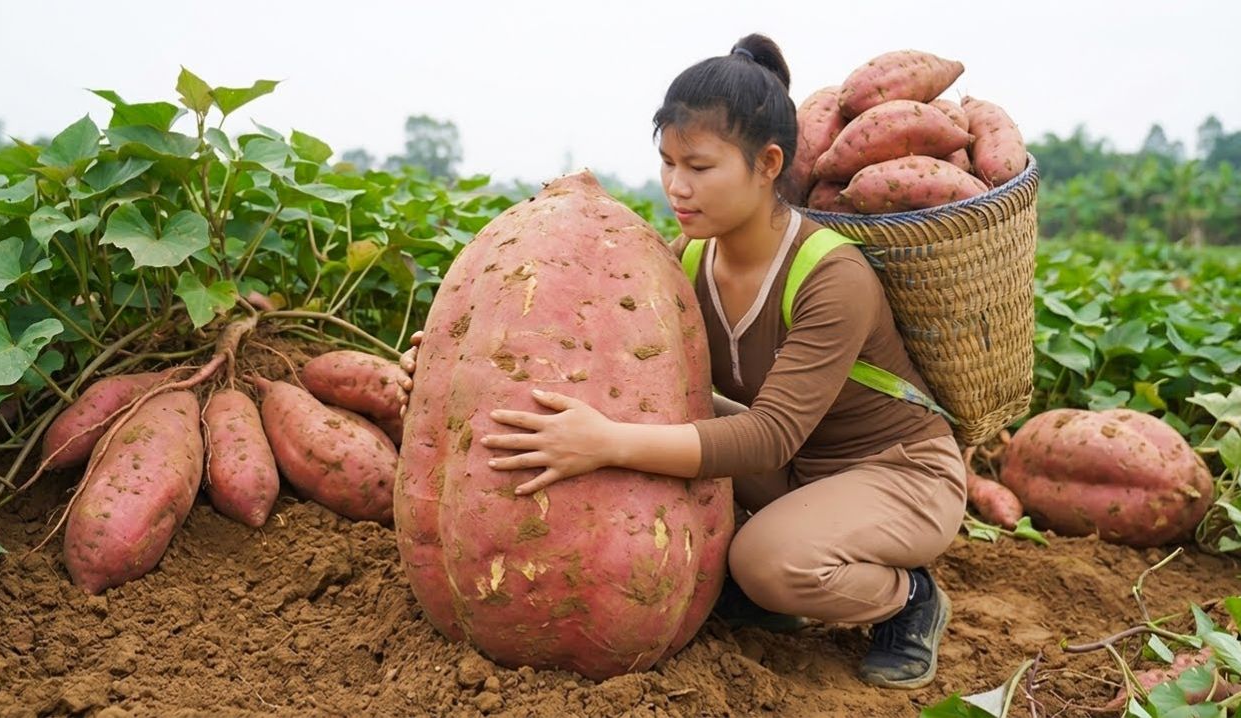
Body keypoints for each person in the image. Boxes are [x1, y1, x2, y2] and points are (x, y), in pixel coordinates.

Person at [396, 33, 967, 690]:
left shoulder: (831, 277)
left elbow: (769, 436)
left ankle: (908, 598)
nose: (676, 186)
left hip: (896, 474)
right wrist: (450, 369)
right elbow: (612, 363)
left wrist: (606, 441)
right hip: (797, 473)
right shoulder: (690, 259)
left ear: (766, 164)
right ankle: (792, 570)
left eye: (698, 167)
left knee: (764, 563)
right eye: (667, 163)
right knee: (646, 426)